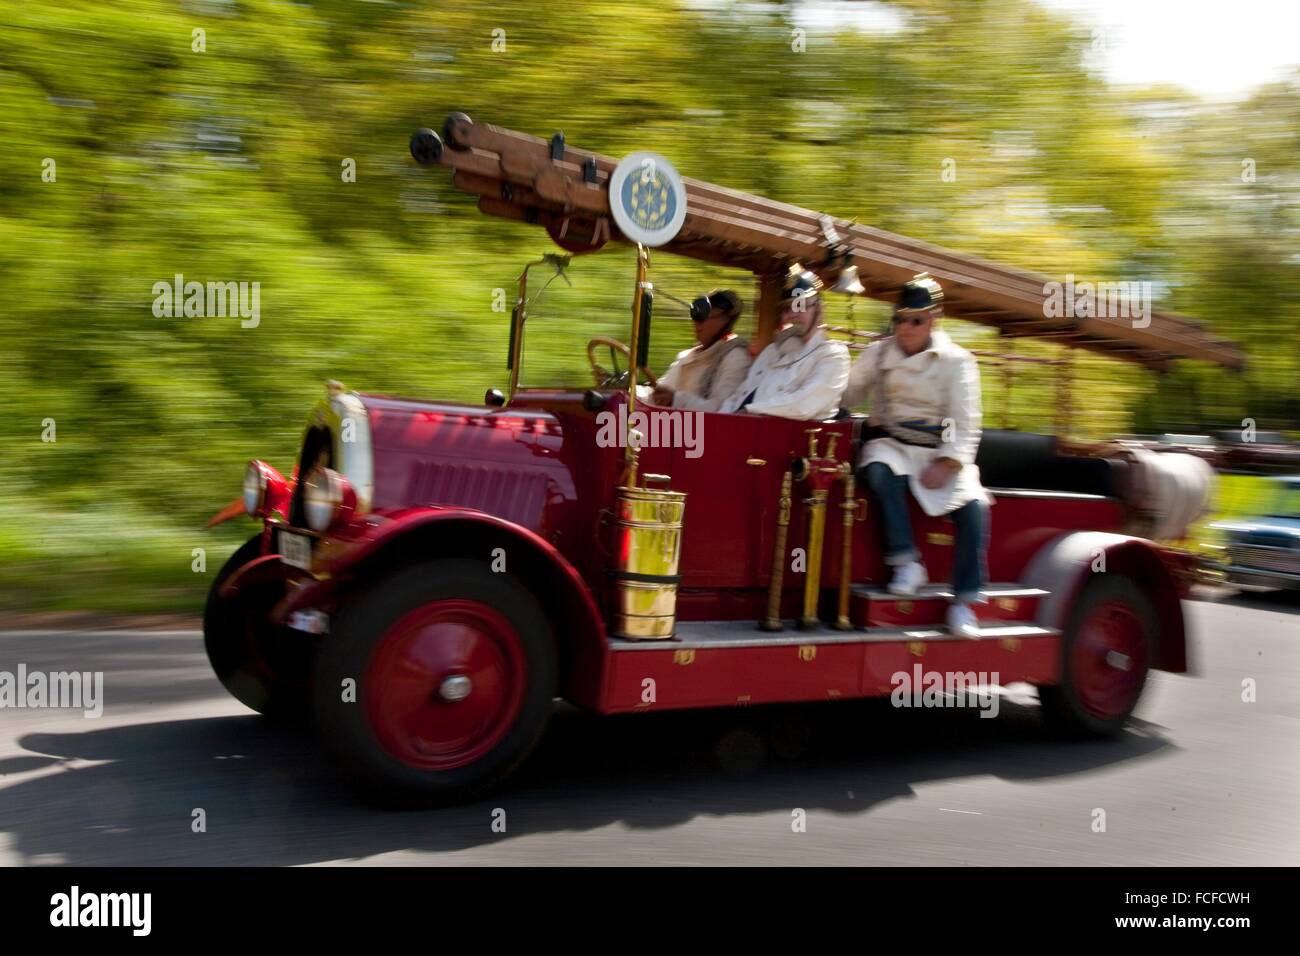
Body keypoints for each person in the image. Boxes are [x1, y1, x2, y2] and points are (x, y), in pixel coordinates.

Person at [841, 273, 991, 638]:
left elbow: (965, 420)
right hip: (893, 443)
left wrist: (947, 462)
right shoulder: (879, 353)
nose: (906, 328)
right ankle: (906, 562)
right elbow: (846, 393)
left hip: (940, 451)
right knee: (876, 470)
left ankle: (964, 602)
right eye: (901, 319)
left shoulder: (957, 362)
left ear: (934, 319)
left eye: (916, 320)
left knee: (976, 509)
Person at [718, 268, 849, 421]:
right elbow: (740, 395)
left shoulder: (833, 355)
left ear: (819, 309)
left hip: (797, 440)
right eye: (787, 309)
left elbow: (804, 405)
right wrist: (720, 421)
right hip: (747, 431)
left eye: (800, 305)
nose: (792, 314)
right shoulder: (772, 352)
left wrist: (750, 410)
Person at [645, 289, 752, 411]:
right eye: (695, 317)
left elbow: (721, 411)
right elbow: (658, 394)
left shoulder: (736, 359)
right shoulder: (688, 357)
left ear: (724, 319)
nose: (696, 324)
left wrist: (675, 399)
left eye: (703, 317)